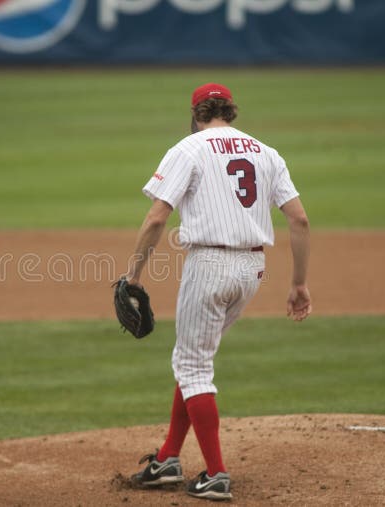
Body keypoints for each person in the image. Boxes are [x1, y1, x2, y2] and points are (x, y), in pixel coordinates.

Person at [127, 83, 312, 501]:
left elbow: (157, 218)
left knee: (193, 366)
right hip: (252, 269)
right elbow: (299, 219)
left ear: (195, 113)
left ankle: (216, 474)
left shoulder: (189, 148)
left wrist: (133, 276)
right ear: (232, 112)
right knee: (195, 355)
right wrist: (298, 284)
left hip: (209, 266)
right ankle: (168, 458)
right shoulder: (266, 152)